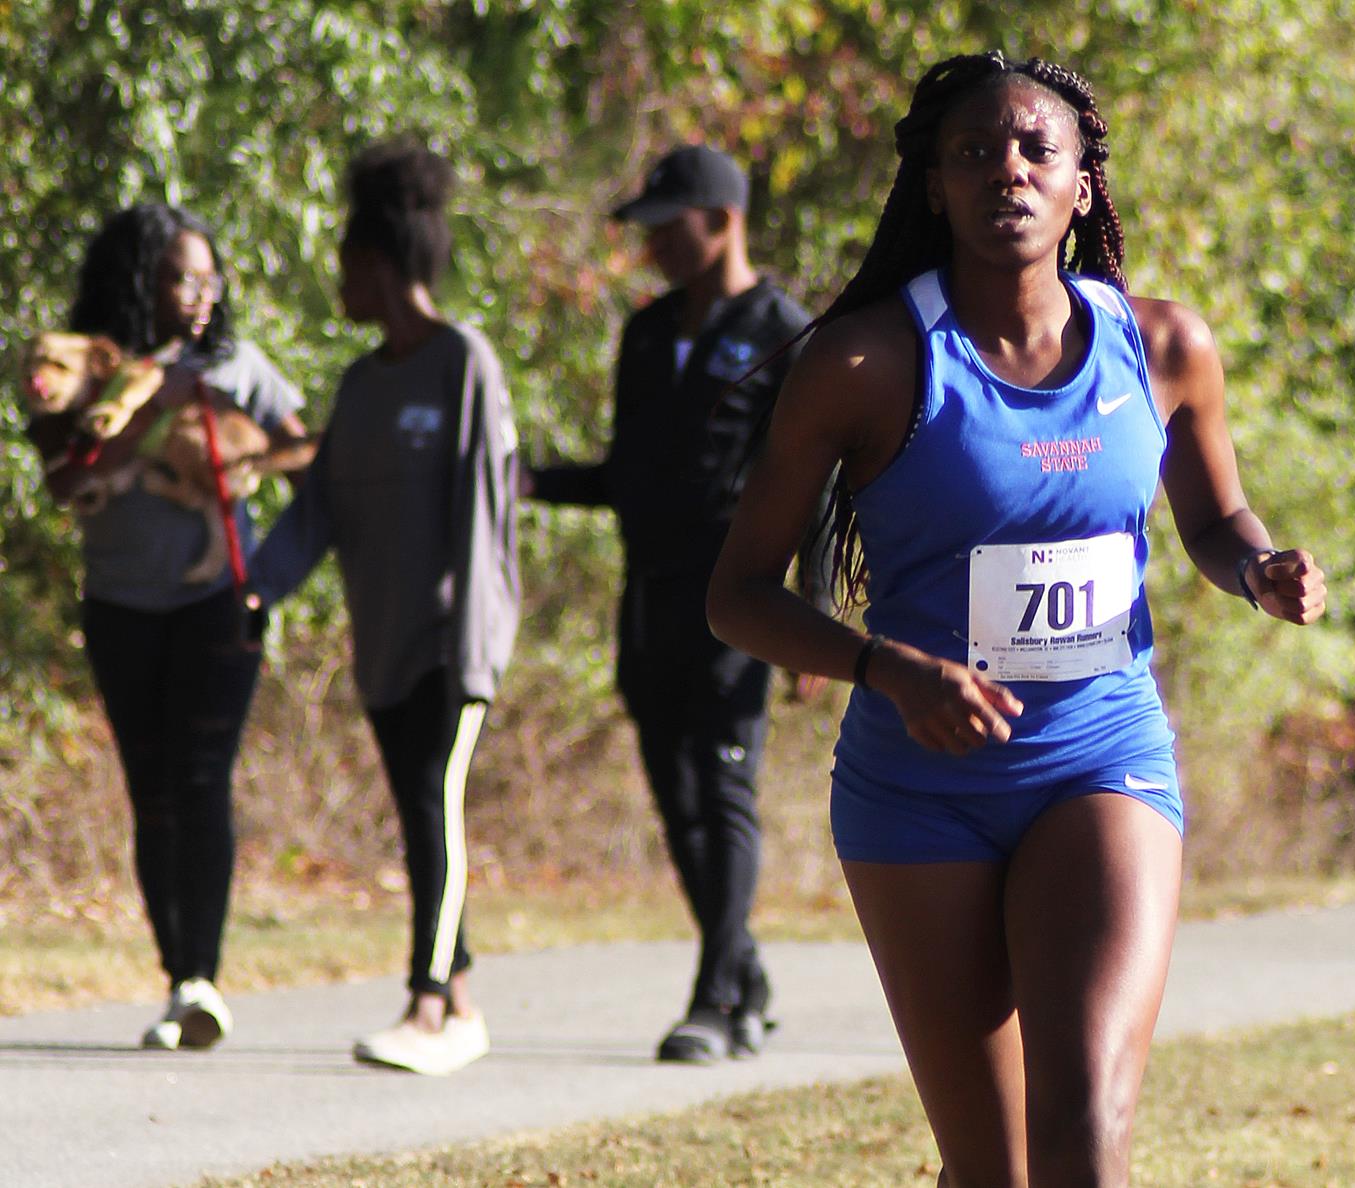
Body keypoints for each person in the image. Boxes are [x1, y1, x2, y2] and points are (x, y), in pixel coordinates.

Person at [705, 53, 1327, 1187]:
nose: (1008, 168)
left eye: (1037, 148)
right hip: (918, 790)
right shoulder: (866, 362)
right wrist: (889, 671)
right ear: (932, 187)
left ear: (1082, 183)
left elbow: (1216, 514)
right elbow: (737, 595)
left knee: (1083, 1132)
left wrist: (1258, 569)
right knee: (992, 1170)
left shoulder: (1164, 346)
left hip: (1099, 757)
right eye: (974, 151)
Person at [526, 144, 816, 1064]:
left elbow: (814, 488)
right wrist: (527, 480)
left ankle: (714, 1003)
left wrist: (812, 623)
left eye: (664, 228)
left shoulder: (786, 335)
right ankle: (745, 973)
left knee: (724, 787)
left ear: (722, 221)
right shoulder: (646, 335)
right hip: (648, 600)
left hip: (742, 606)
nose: (648, 246)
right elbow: (629, 475)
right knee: (677, 797)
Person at [248, 141, 520, 1075]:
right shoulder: (363, 386)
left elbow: (485, 519)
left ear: (383, 265)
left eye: (346, 265)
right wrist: (255, 583)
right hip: (385, 643)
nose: (338, 283)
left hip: (453, 646)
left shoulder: (463, 364)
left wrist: (474, 649)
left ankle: (430, 1007)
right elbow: (316, 507)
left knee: (435, 808)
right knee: (421, 821)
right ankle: (465, 999)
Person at [45, 203, 309, 1051]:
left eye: (209, 278)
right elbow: (63, 477)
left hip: (219, 603)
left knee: (202, 780)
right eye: (179, 278)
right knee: (150, 791)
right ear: (137, 281)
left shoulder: (244, 367)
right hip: (120, 605)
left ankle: (203, 978)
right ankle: (176, 979)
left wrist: (273, 579)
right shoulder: (80, 368)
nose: (200, 295)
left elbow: (309, 462)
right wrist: (160, 396)